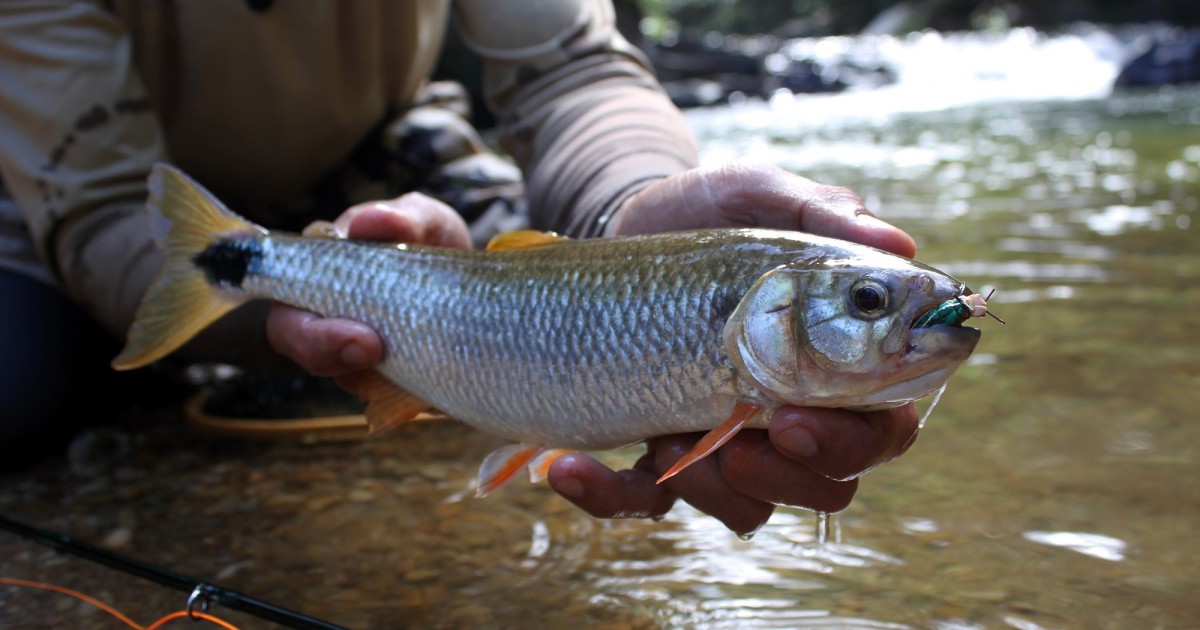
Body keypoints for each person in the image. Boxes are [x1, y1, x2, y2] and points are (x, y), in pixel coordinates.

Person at [0, 0, 919, 536]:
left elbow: (569, 74)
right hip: (55, 188)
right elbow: (95, 198)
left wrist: (628, 226)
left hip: (385, 155)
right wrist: (265, 322)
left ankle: (339, 322)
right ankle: (240, 304)